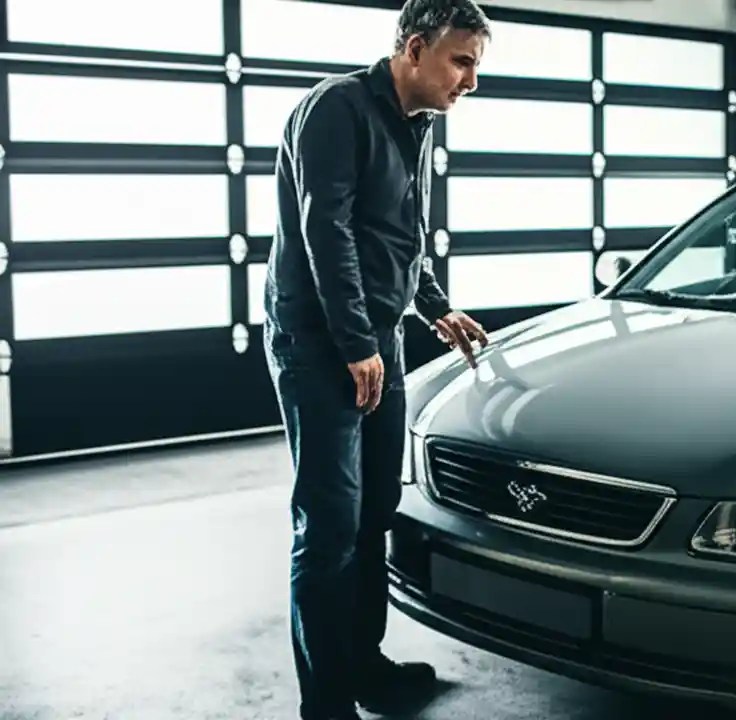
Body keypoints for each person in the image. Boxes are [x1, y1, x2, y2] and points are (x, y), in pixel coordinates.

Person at [260, 2, 491, 718]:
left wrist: (432, 304)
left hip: (373, 343)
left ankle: (364, 666)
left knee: (374, 513)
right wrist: (359, 343)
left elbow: (398, 229)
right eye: (462, 61)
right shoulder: (337, 110)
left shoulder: (412, 124)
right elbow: (325, 231)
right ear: (415, 48)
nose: (471, 81)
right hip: (321, 345)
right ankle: (325, 705)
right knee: (328, 528)